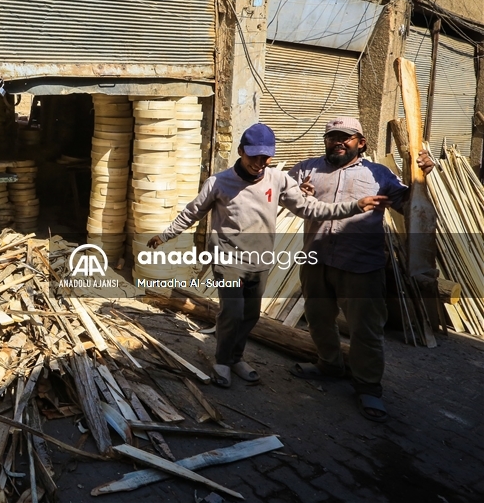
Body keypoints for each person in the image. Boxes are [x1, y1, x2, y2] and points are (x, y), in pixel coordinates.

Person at [147, 123, 387, 388]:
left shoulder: (279, 179)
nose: (259, 163)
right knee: (233, 312)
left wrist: (354, 206)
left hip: (260, 261)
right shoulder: (219, 182)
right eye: (253, 157)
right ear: (240, 151)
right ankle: (222, 361)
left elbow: (311, 209)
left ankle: (236, 358)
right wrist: (166, 234)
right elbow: (193, 211)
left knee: (250, 315)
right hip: (227, 261)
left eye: (265, 157)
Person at [288, 117, 433, 422]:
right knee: (318, 320)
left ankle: (368, 387)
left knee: (365, 329)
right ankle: (329, 365)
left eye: (345, 137)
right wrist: (298, 191)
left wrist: (423, 177)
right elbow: (283, 195)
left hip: (360, 265)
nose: (338, 142)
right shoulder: (307, 168)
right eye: (332, 137)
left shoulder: (378, 174)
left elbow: (411, 205)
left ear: (360, 142)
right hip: (315, 259)